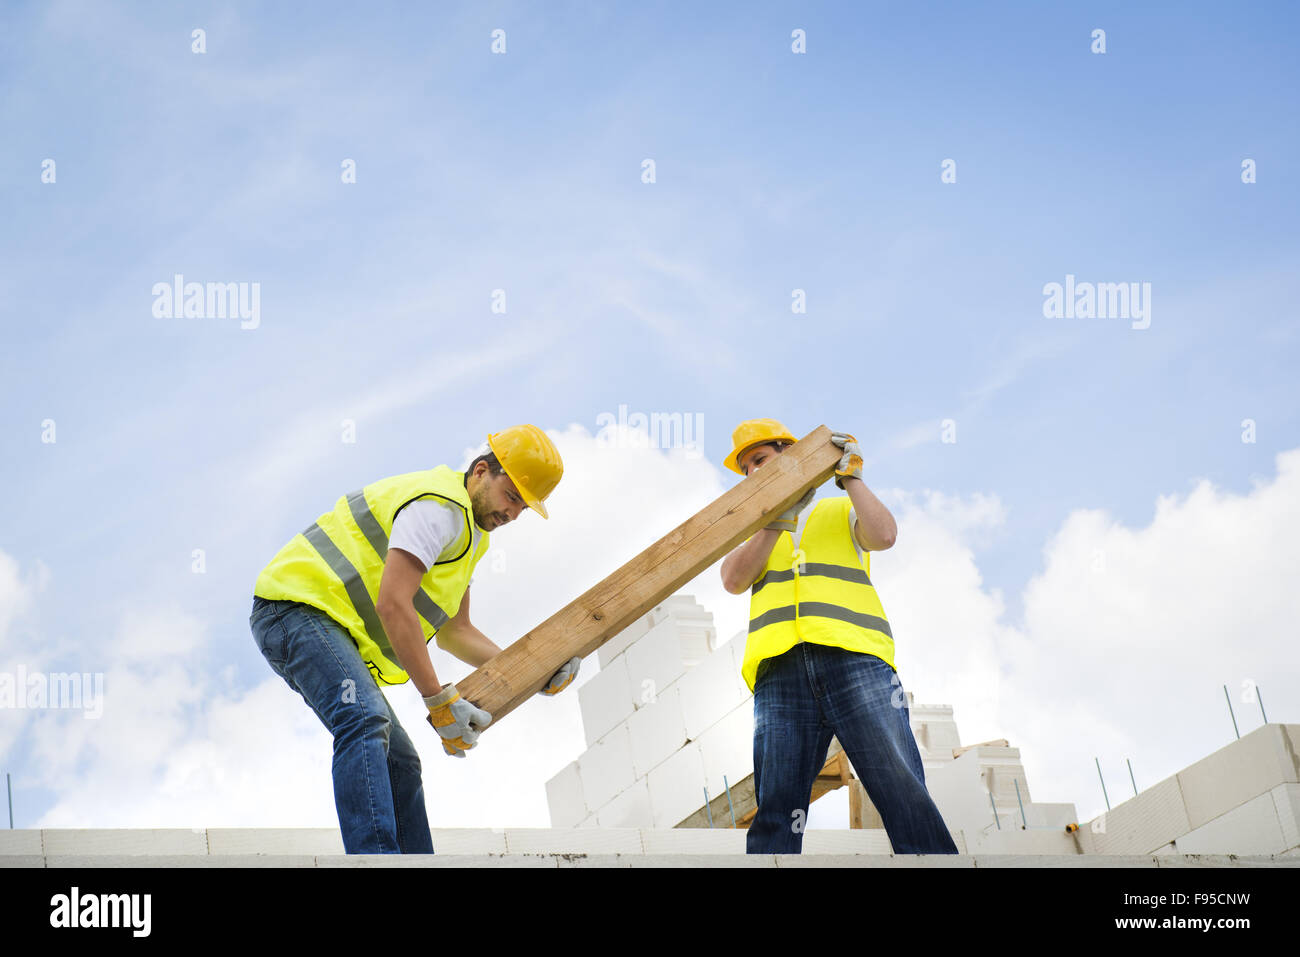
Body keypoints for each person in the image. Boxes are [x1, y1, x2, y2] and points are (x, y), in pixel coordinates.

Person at [248, 424, 581, 854]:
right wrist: (438, 702)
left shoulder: (471, 536)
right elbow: (392, 604)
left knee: (400, 763)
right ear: (482, 471)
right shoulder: (438, 510)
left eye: (523, 508)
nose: (513, 514)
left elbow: (456, 635)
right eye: (511, 496)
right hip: (293, 608)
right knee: (365, 719)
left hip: (325, 625)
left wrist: (534, 671)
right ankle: (376, 862)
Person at [718, 418, 958, 855]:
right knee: (778, 804)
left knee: (898, 782)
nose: (754, 472)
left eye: (760, 459)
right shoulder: (756, 533)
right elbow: (733, 581)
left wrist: (851, 479)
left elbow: (884, 535)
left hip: (855, 660)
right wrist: (776, 522)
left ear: (789, 455)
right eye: (746, 468)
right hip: (780, 672)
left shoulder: (836, 510)